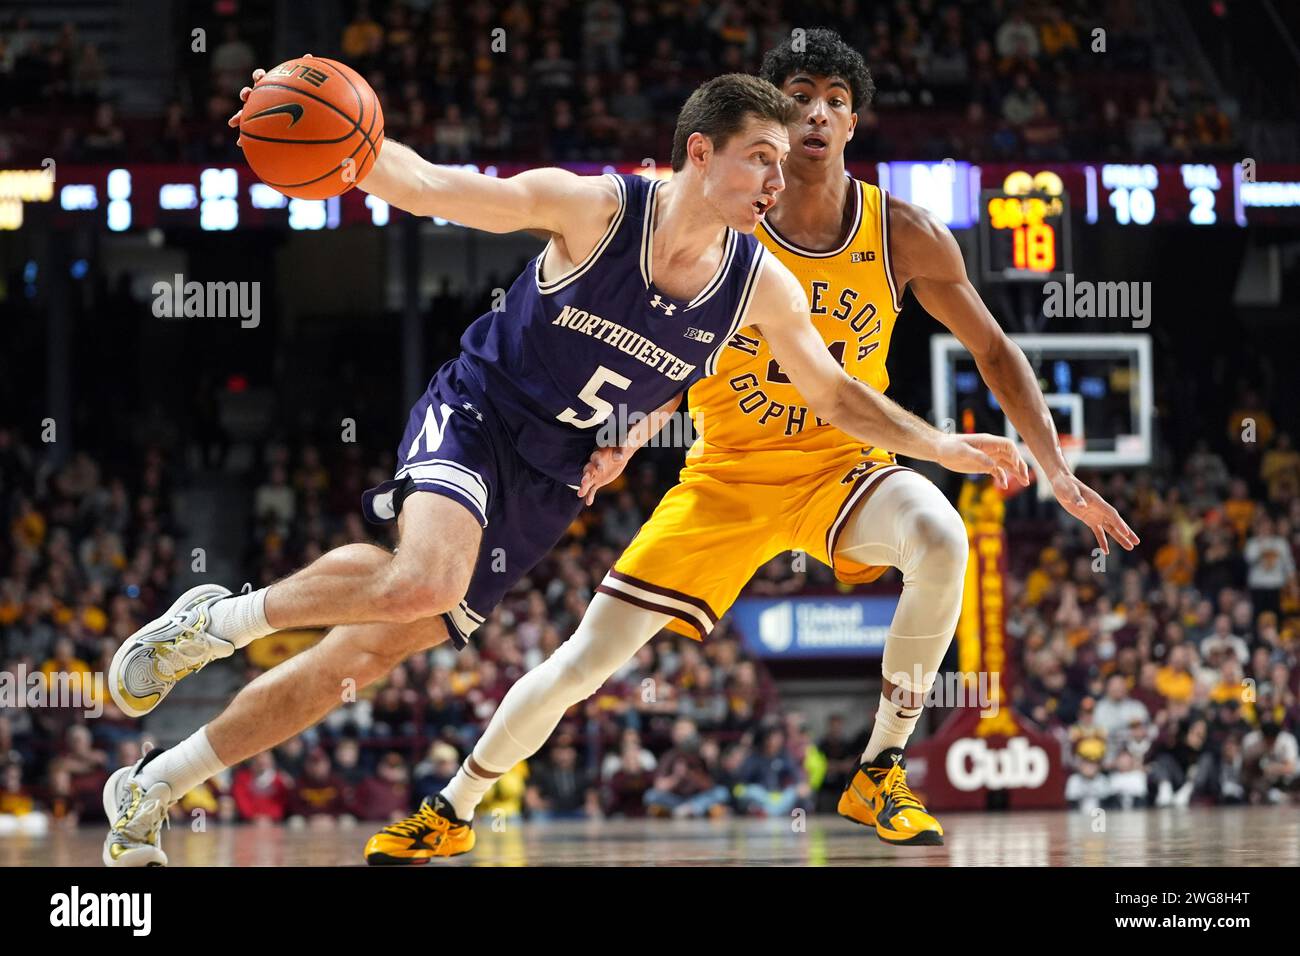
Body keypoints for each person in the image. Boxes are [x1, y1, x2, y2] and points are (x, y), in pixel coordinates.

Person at [102, 64, 1025, 867]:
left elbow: (830, 393)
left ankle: (156, 783)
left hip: (553, 479)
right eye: (761, 158)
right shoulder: (597, 207)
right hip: (482, 417)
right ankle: (216, 623)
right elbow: (431, 186)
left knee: (370, 649)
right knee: (423, 578)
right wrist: (349, 145)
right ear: (698, 153)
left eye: (785, 165)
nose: (778, 180)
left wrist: (940, 445)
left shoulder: (759, 284)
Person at [392, 28, 1136, 861]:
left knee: (941, 535)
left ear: (855, 123)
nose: (817, 113)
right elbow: (659, 341)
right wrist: (631, 435)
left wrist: (1059, 471)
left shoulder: (906, 233)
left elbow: (995, 352)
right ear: (768, 123)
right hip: (725, 477)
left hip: (842, 467)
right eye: (801, 97)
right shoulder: (721, 215)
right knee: (584, 660)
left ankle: (880, 768)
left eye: (836, 101)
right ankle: (453, 806)